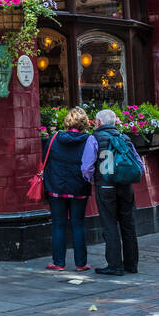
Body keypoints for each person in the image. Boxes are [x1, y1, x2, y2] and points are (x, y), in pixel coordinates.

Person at [86, 107, 143, 276]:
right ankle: (131, 264)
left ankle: (114, 265)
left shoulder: (94, 138)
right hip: (125, 186)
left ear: (98, 122)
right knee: (128, 224)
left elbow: (86, 166)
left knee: (110, 225)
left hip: (105, 186)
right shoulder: (125, 138)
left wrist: (90, 179)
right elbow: (139, 163)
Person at [41, 106, 92, 272]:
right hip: (79, 187)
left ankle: (59, 262)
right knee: (78, 224)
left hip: (56, 186)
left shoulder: (55, 138)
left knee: (58, 225)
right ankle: (81, 263)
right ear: (84, 122)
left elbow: (45, 159)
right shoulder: (88, 140)